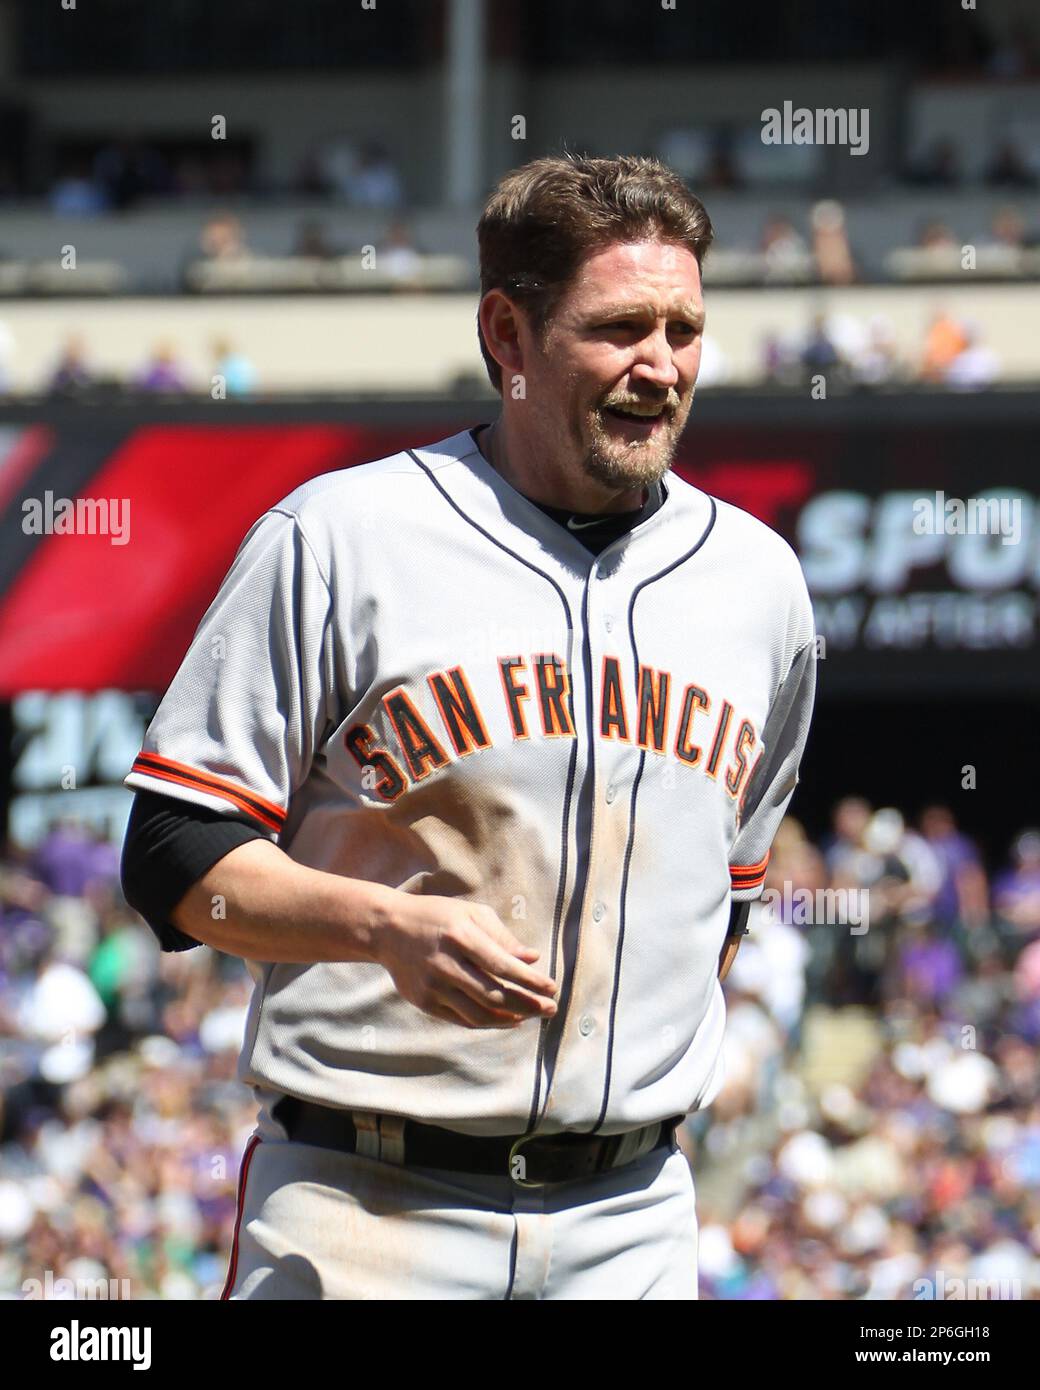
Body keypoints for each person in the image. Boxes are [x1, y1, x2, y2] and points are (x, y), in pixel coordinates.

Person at [120, 153, 816, 1301]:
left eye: (683, 330)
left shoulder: (759, 584)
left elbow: (723, 902)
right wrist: (380, 925)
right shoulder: (341, 537)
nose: (660, 368)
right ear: (508, 336)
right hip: (364, 1201)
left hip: (630, 1215)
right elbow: (171, 856)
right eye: (619, 328)